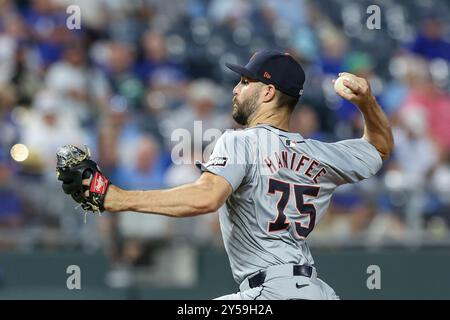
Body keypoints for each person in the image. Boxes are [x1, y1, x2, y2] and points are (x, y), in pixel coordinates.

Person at [61, 50, 393, 299]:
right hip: (317, 292)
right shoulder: (321, 154)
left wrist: (115, 197)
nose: (236, 88)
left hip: (269, 292)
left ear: (267, 92)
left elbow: (206, 197)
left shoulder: (241, 141)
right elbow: (379, 148)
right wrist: (366, 101)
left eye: (246, 81)